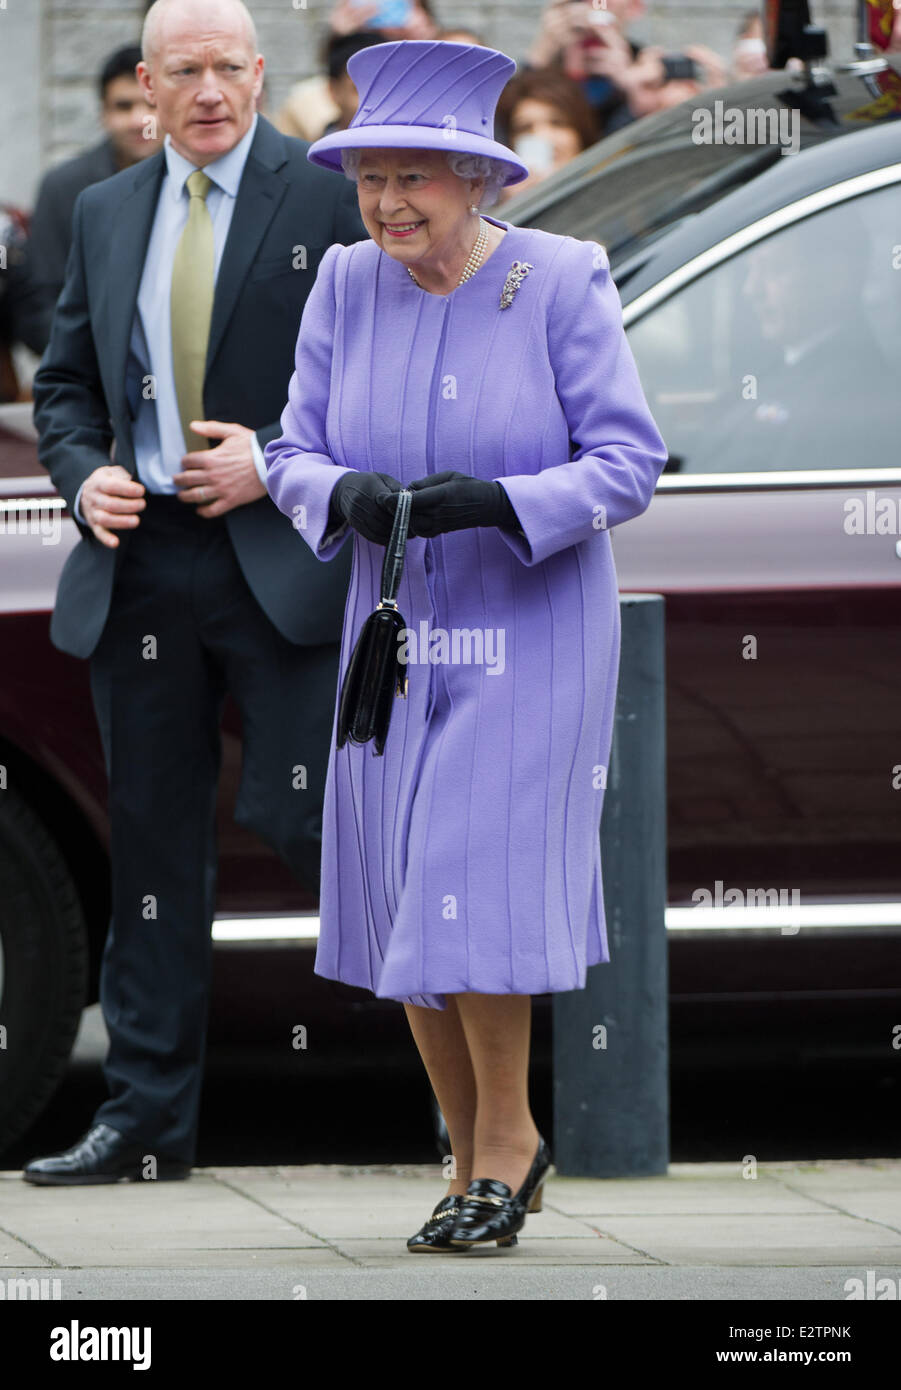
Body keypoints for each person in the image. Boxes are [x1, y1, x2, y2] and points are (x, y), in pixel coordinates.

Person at [265, 39, 667, 1251]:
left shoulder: (558, 277)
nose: (388, 203)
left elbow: (628, 466)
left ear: (479, 180)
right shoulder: (341, 280)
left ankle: (507, 1139)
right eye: (369, 177)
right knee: (398, 886)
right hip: (393, 629)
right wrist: (343, 497)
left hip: (531, 627)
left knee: (464, 865)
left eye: (414, 178)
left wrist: (498, 502)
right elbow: (291, 452)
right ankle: (469, 1152)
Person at [24, 0, 367, 1186]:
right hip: (145, 565)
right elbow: (63, 384)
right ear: (148, 86)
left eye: (229, 66)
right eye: (185, 70)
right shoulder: (108, 209)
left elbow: (377, 380)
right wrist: (85, 480)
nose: (209, 88)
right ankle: (142, 1121)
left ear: (262, 76)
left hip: (280, 555)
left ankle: (460, 1105)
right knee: (155, 852)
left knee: (313, 819)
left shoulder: (329, 198)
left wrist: (268, 456)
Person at [25, 46, 163, 352]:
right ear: (103, 113)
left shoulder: (197, 182)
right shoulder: (63, 187)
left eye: (150, 105)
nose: (140, 120)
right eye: (124, 106)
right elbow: (40, 306)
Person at [494, 67, 599, 202]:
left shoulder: (614, 187)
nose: (542, 137)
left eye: (557, 123)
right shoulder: (497, 210)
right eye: (525, 128)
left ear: (580, 131)